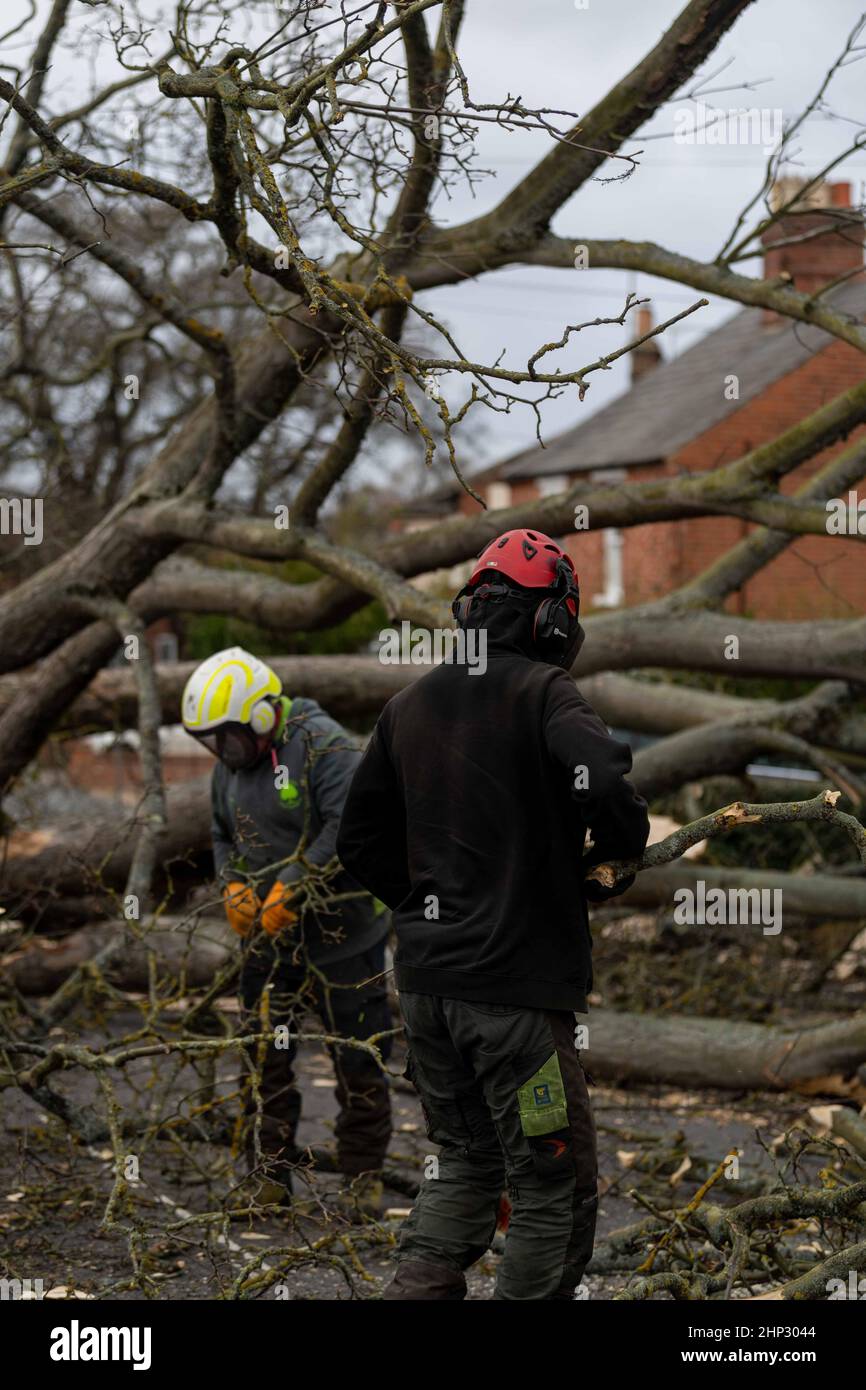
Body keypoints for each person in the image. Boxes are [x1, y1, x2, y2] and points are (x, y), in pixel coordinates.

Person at [337, 529, 650, 1298]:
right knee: (553, 1185)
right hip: (514, 1003)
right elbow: (605, 780)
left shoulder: (407, 705)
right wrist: (611, 858)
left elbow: (357, 841)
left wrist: (424, 907)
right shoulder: (545, 693)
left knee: (468, 1165)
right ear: (553, 623)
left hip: (428, 995)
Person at [181, 646, 392, 1214]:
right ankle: (269, 1174)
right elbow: (223, 834)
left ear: (259, 718)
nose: (219, 754)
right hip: (271, 945)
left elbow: (347, 827)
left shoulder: (325, 745)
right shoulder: (229, 770)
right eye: (209, 743)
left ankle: (361, 1178)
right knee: (264, 1055)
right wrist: (233, 883)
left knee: (359, 1057)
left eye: (224, 739)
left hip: (346, 934)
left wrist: (293, 885)